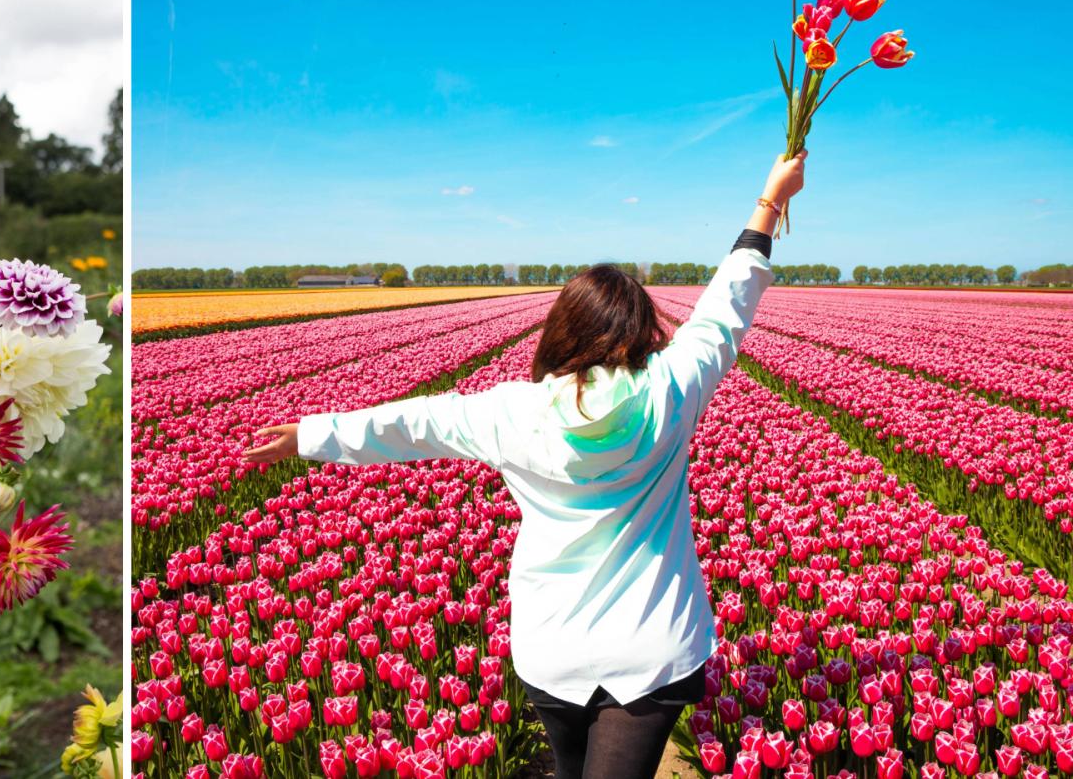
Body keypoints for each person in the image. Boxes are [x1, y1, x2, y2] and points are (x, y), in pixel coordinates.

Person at [245, 151, 808, 779]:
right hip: (652, 646)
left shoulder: (512, 412)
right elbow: (725, 309)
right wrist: (770, 200)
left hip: (552, 641)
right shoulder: (671, 392)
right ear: (641, 334)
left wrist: (310, 434)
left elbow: (415, 423)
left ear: (562, 331)